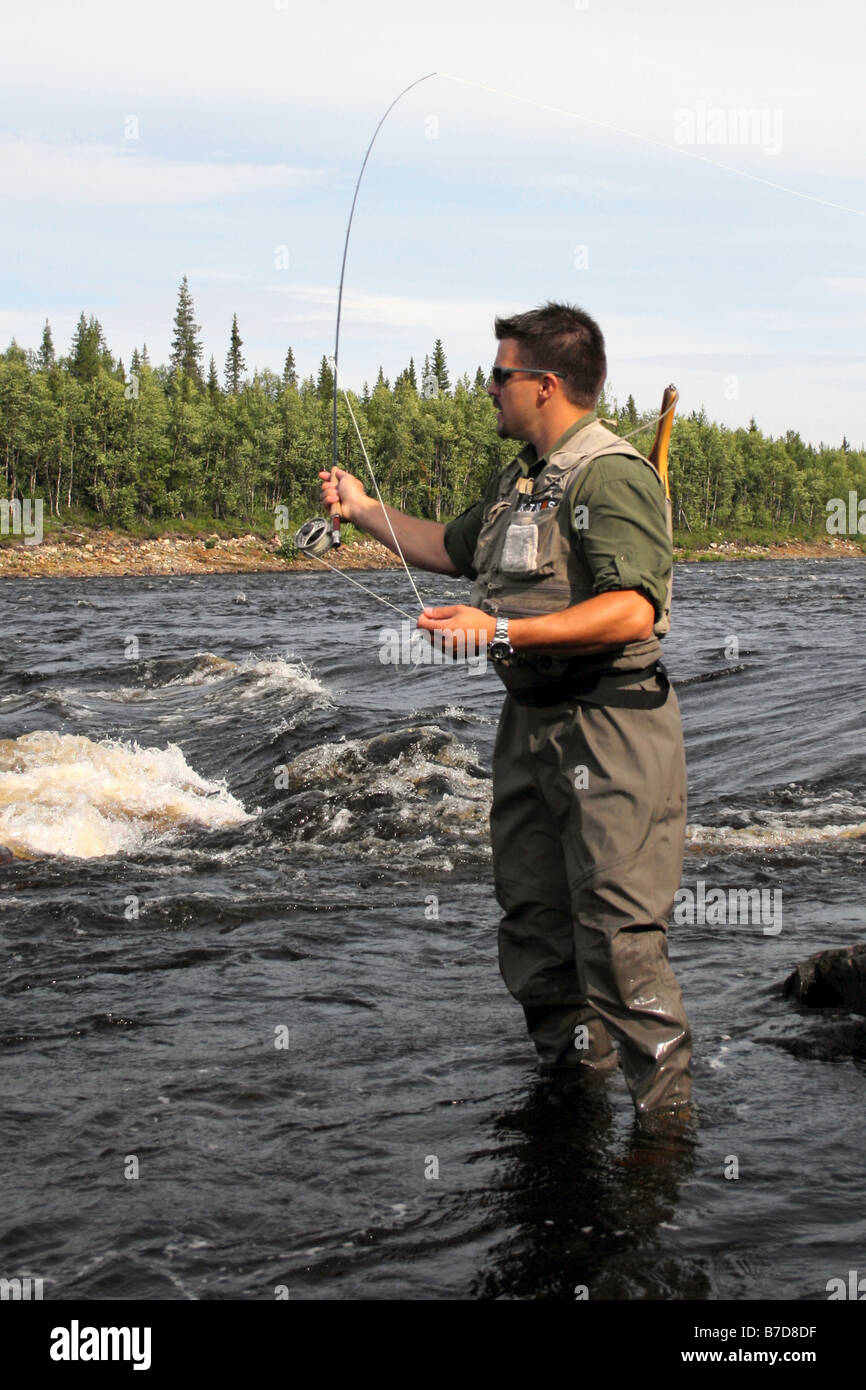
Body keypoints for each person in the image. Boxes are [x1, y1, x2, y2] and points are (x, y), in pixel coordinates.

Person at [319, 302, 691, 1120]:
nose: (488, 389)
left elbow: (635, 609)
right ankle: (572, 1106)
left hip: (614, 728)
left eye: (499, 375)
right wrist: (359, 507)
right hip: (530, 727)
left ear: (546, 384)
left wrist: (505, 629)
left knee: (619, 942)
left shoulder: (612, 474)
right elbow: (449, 550)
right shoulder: (521, 479)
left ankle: (666, 1142)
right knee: (534, 928)